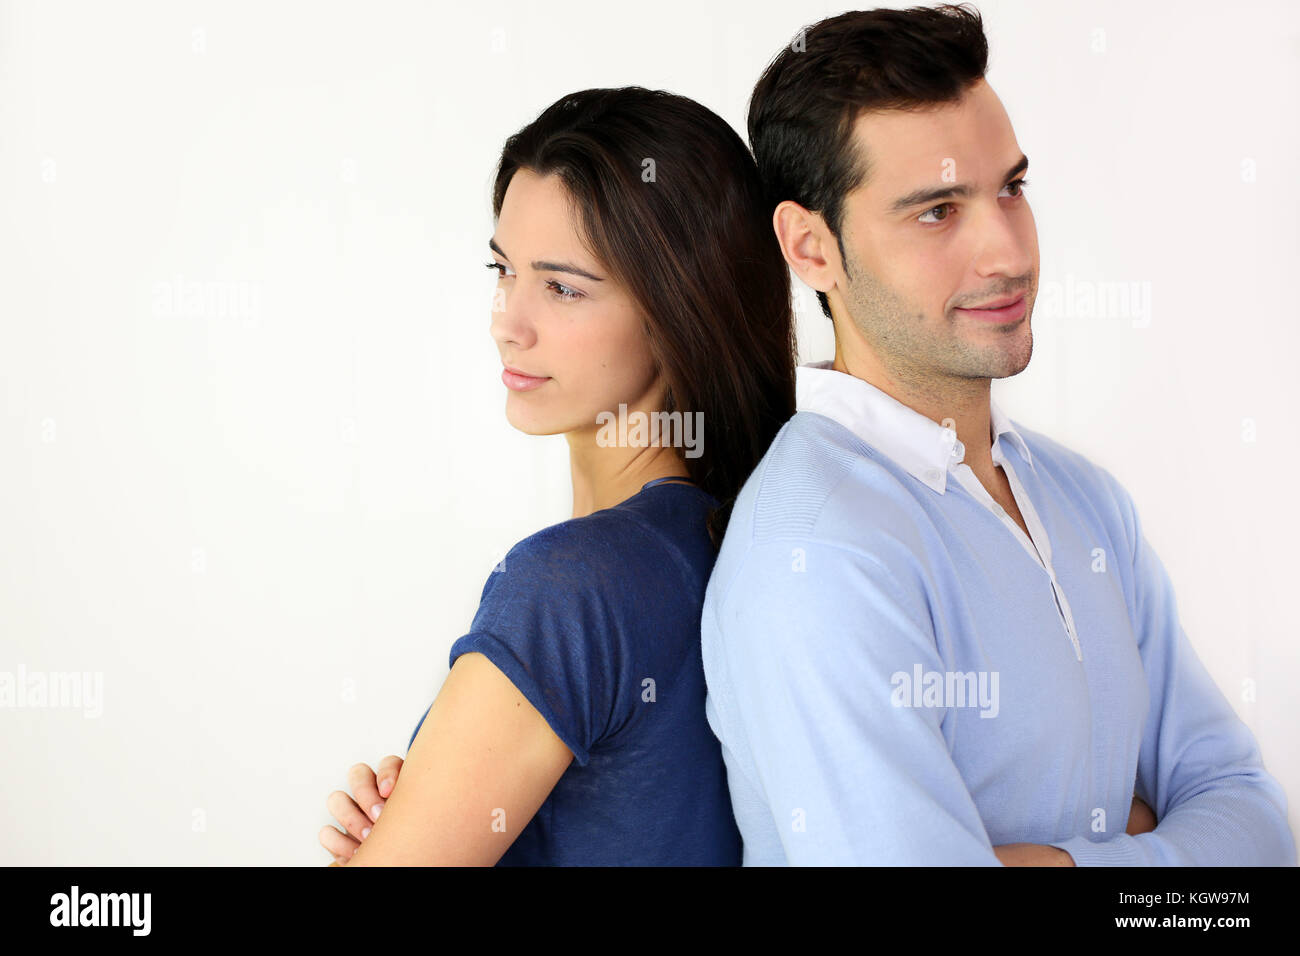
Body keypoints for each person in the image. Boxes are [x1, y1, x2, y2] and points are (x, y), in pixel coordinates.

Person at [700, 4, 1296, 865]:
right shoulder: (817, 551)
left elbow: (1257, 823)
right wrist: (1158, 846)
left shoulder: (1085, 500)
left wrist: (1050, 861)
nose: (1008, 254)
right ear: (810, 247)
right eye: (938, 211)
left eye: (1011, 188)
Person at [318, 87, 796, 865]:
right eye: (503, 269)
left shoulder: (568, 586)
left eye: (563, 286)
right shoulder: (736, 545)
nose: (509, 318)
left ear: (682, 307)